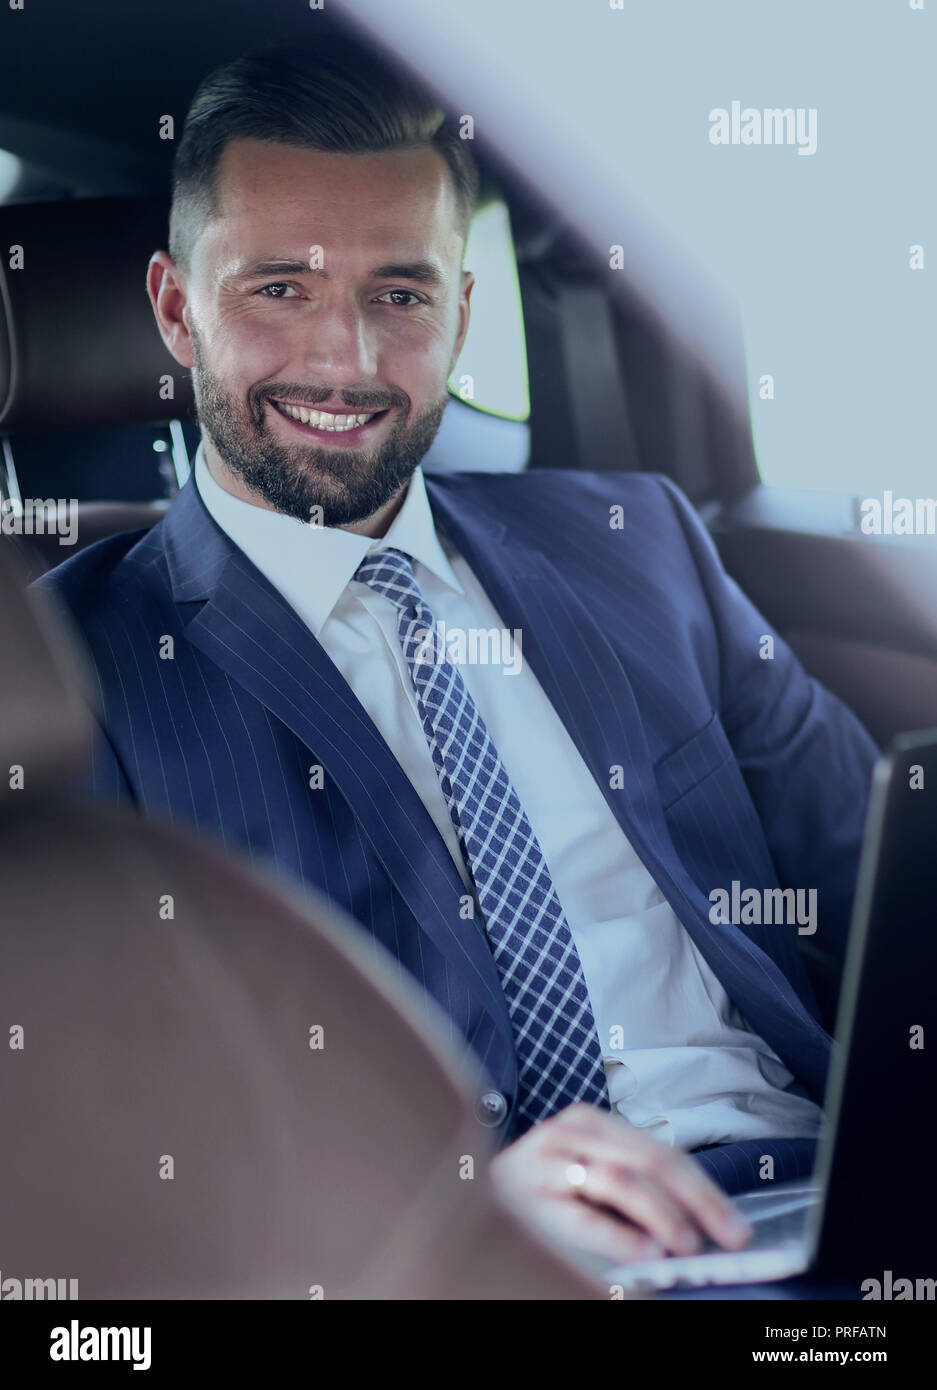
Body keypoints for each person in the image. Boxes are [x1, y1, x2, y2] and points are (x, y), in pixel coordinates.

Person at [35, 37, 879, 1268]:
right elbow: (97, 1135)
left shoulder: (637, 542)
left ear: (461, 310)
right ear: (176, 308)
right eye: (279, 289)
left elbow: (877, 872)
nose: (349, 362)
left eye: (401, 293)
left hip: (828, 1194)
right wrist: (450, 1202)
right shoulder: (68, 677)